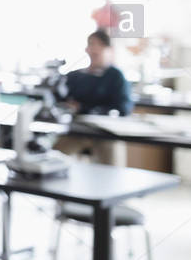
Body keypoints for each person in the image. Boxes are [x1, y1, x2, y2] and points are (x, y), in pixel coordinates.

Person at [54, 29, 132, 166]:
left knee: (112, 167)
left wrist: (85, 108)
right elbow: (61, 97)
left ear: (109, 49)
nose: (94, 49)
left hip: (106, 133)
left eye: (99, 45)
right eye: (91, 44)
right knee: (53, 157)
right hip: (78, 129)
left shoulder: (116, 76)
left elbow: (124, 108)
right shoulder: (76, 76)